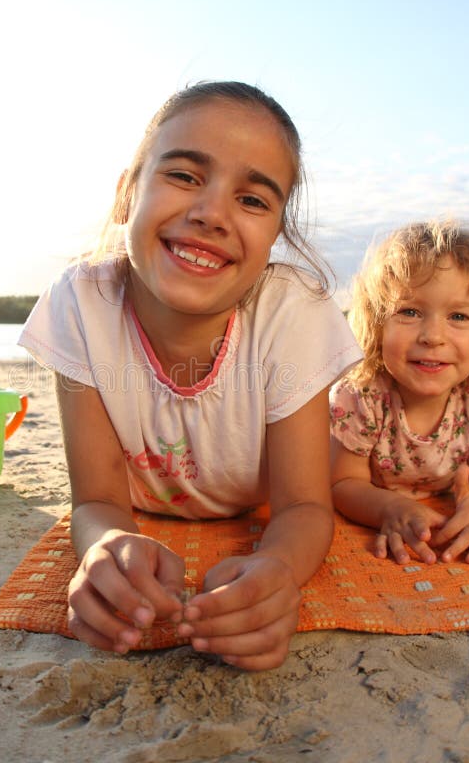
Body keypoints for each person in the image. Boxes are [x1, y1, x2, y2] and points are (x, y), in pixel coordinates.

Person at [19, 81, 361, 670]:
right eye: (183, 176)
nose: (211, 215)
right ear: (129, 192)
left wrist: (278, 569)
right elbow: (97, 498)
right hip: (144, 504)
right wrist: (103, 547)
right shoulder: (80, 302)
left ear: (277, 231)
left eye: (253, 200)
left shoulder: (294, 311)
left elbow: (304, 506)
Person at [330, 220, 469, 567]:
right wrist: (390, 508)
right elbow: (344, 484)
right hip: (378, 501)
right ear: (378, 324)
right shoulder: (361, 396)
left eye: (458, 316)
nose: (433, 336)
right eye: (409, 312)